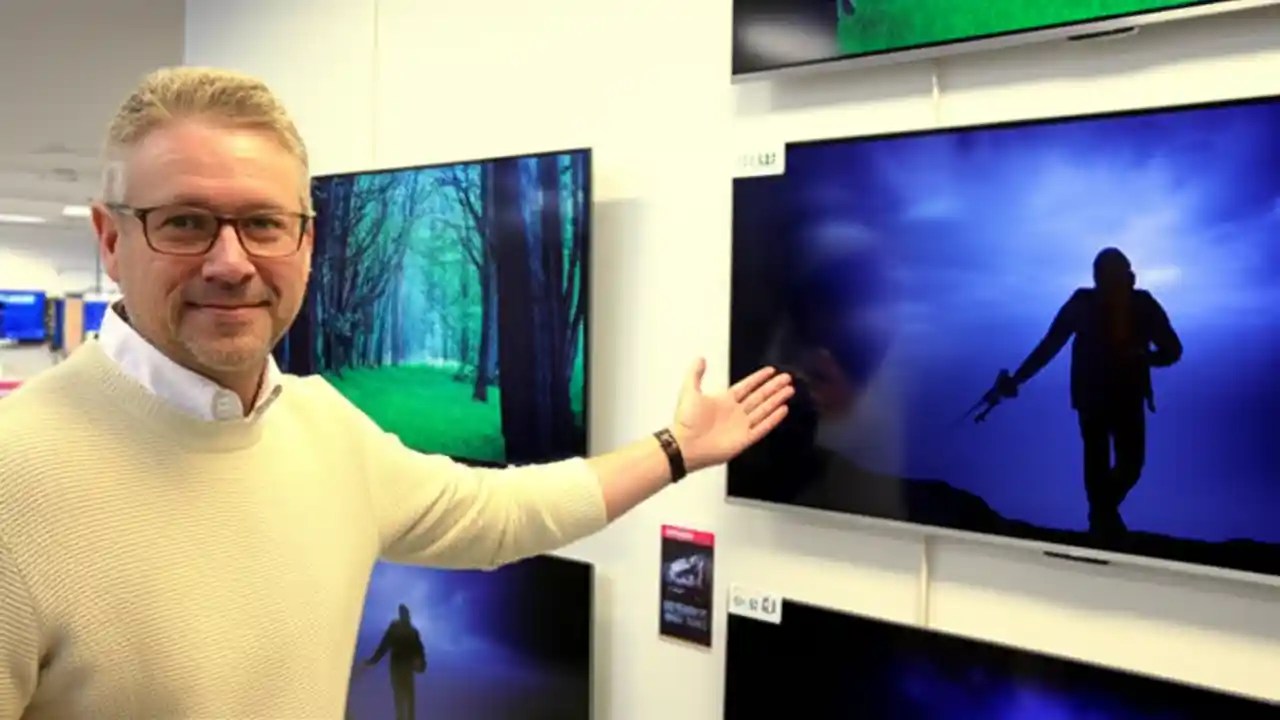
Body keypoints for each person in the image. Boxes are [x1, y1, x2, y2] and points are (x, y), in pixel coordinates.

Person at [0, 66, 794, 719]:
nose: (231, 262)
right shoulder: (17, 474)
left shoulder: (322, 428)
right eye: (184, 223)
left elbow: (501, 515)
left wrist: (678, 447)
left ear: (307, 241)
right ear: (110, 238)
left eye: (265, 224)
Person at [989, 247, 1183, 534]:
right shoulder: (1083, 303)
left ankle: (1102, 512)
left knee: (1128, 464)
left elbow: (1172, 350)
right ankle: (1103, 519)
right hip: (1093, 397)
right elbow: (1050, 345)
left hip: (1123, 397)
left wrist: (1143, 357)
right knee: (1100, 461)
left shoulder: (1142, 305)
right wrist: (1017, 379)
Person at [364, 604, 426, 720]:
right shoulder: (403, 630)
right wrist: (373, 660)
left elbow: (419, 651)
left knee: (404, 700)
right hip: (399, 669)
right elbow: (384, 646)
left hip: (403, 669)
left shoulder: (410, 631)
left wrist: (373, 660)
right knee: (403, 699)